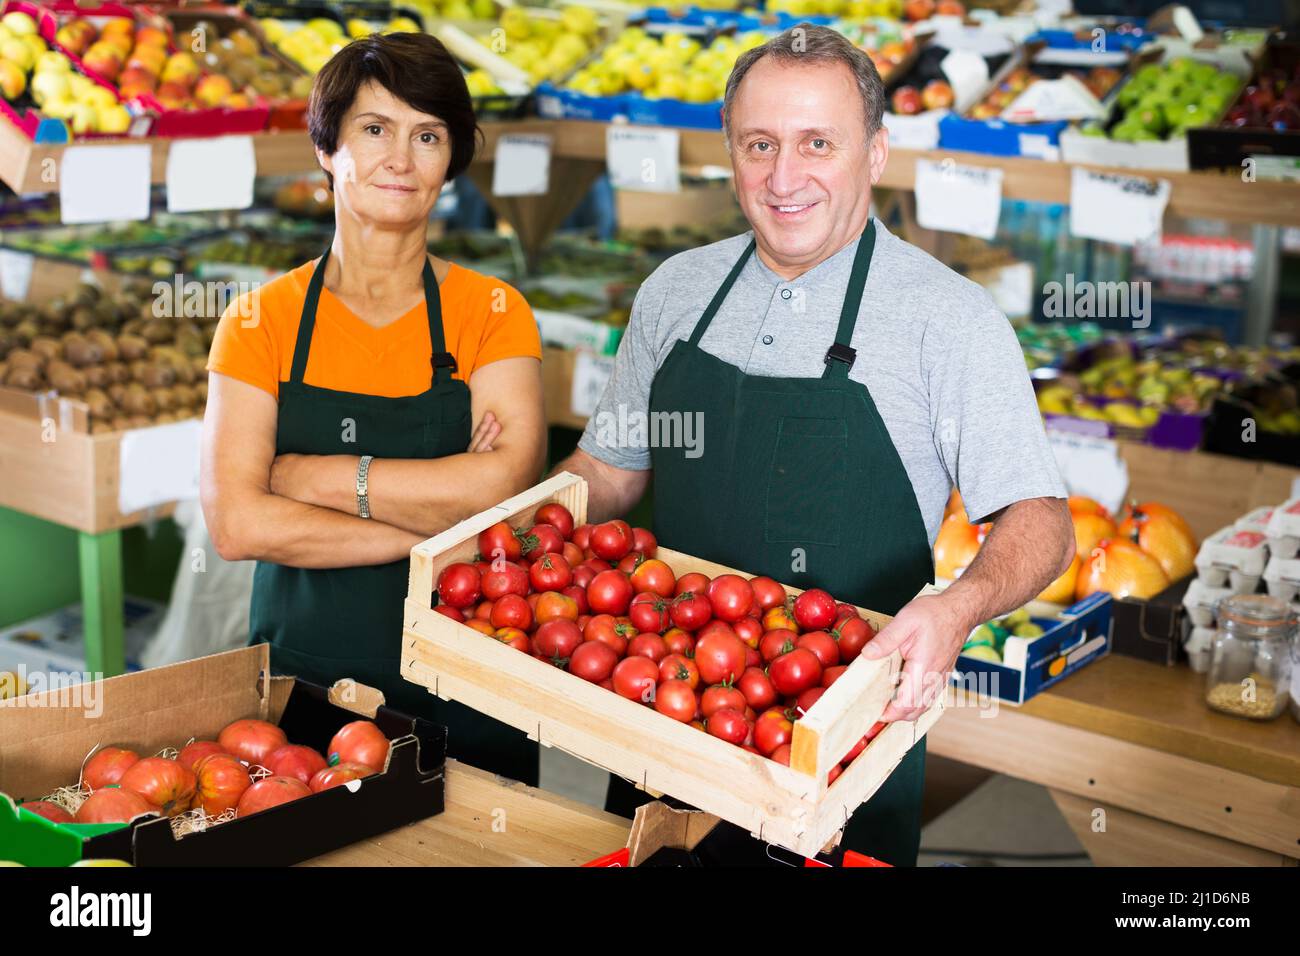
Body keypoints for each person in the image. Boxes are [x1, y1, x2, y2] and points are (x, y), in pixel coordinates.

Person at [552, 25, 1076, 864]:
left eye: (817, 144)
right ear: (730, 152)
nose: (784, 177)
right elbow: (608, 473)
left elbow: (1042, 522)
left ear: (874, 152)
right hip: (663, 706)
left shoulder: (949, 320)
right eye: (760, 144)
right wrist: (510, 532)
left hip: (848, 745)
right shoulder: (676, 291)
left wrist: (955, 609)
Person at [201, 33, 546, 785]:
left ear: (449, 161)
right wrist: (432, 526)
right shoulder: (261, 322)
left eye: (428, 136)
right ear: (327, 148)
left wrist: (308, 479)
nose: (401, 158)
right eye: (374, 129)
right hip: (307, 684)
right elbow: (236, 524)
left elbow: (508, 504)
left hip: (476, 684)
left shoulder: (493, 313)